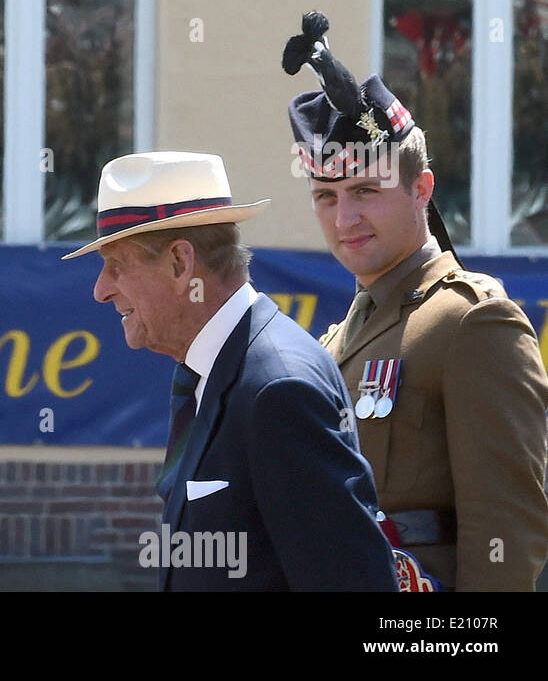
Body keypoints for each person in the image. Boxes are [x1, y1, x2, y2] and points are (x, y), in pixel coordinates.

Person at [284, 11, 548, 590]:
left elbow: (509, 524)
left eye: (364, 191)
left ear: (420, 189)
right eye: (325, 197)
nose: (344, 217)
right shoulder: (335, 340)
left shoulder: (474, 321)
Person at [62, 151, 398, 591]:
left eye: (117, 266)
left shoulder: (277, 388)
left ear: (181, 263)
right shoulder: (221, 371)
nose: (101, 290)